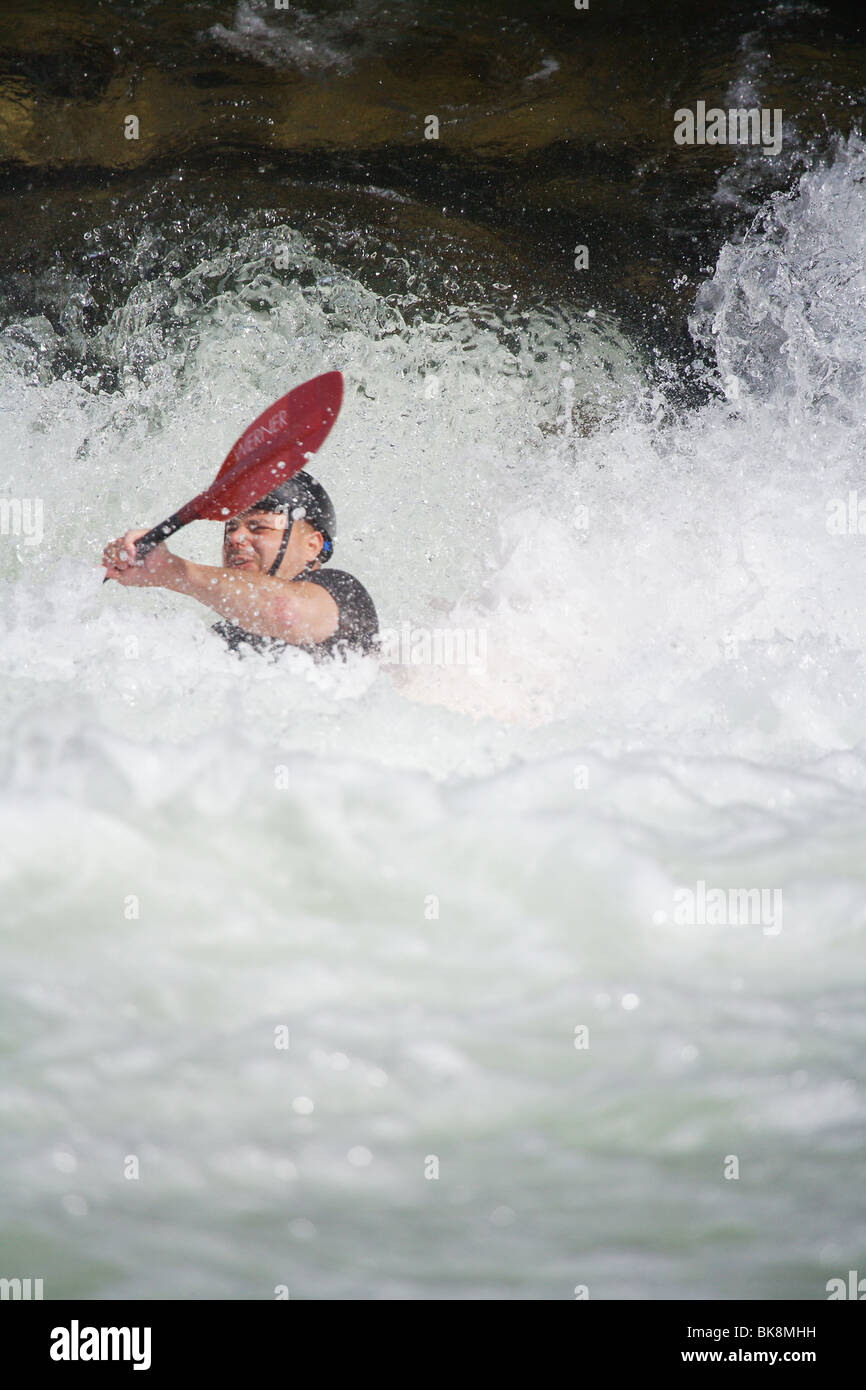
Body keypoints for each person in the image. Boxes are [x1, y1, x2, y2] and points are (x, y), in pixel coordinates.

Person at [102, 472, 378, 660]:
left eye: (258, 527)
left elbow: (288, 613)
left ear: (313, 546)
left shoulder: (343, 592)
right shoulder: (224, 637)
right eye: (230, 528)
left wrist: (171, 570)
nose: (235, 537)